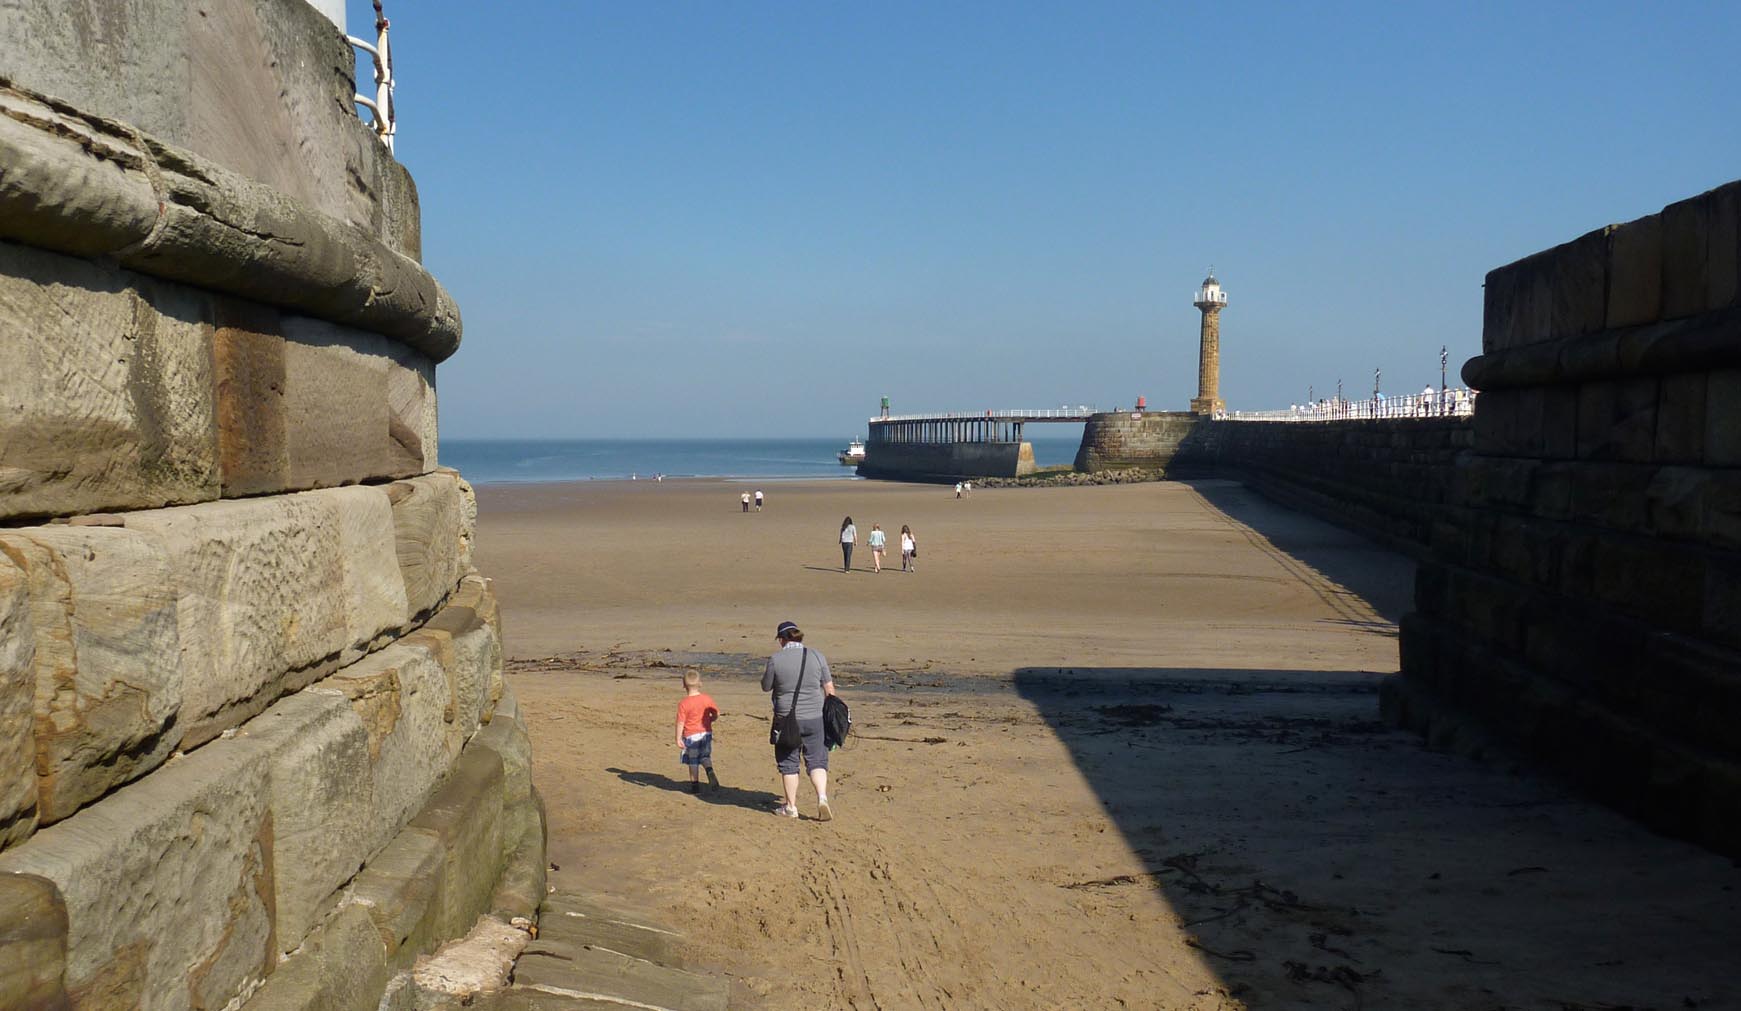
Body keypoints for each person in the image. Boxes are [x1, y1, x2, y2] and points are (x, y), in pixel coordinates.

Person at [763, 620, 836, 819]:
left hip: (786, 719)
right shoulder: (817, 655)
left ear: (782, 639)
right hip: (815, 717)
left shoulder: (775, 659)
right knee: (817, 761)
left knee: (788, 763)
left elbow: (766, 686)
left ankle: (791, 807)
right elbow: (829, 689)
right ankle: (822, 798)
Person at [675, 669, 719, 794]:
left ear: (684, 685)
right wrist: (712, 719)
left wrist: (678, 738)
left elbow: (680, 722)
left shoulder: (684, 703)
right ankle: (709, 770)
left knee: (693, 761)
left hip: (691, 735)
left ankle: (695, 786)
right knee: (705, 756)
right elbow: (716, 712)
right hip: (706, 733)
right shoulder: (706, 699)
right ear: (700, 683)